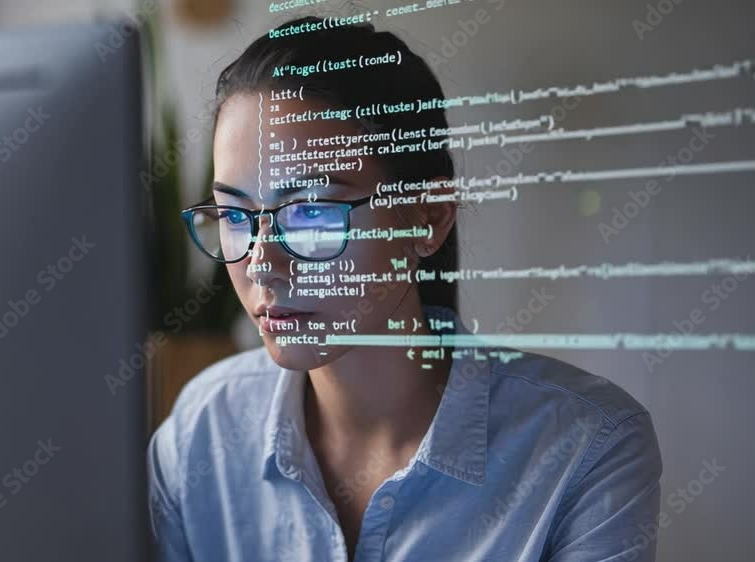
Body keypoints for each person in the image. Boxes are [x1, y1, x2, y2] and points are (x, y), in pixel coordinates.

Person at [148, 17, 662, 562]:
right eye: (234, 213)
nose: (262, 263)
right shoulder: (200, 431)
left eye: (313, 210)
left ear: (427, 217)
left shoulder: (586, 447)